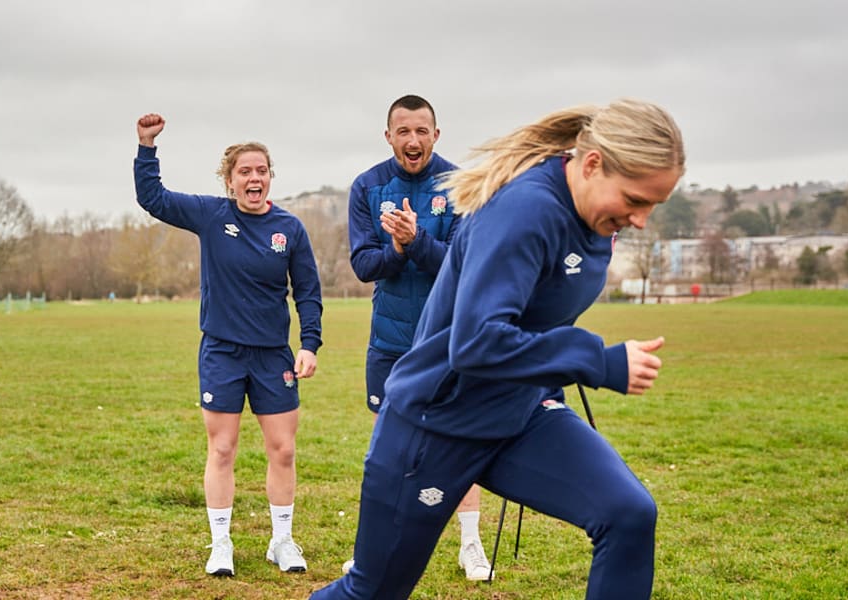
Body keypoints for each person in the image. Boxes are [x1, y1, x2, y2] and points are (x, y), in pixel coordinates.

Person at [310, 98, 684, 600]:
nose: (640, 219)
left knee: (628, 513)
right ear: (592, 165)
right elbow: (476, 343)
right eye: (636, 200)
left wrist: (548, 384)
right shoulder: (526, 210)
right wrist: (597, 360)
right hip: (434, 425)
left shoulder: (594, 219)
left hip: (519, 417)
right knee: (372, 593)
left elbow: (540, 316)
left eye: (652, 206)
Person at [133, 113, 323, 577]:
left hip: (273, 355)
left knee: (283, 450)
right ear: (230, 180)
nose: (253, 177)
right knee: (222, 449)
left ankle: (282, 540)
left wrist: (310, 344)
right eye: (245, 171)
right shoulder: (212, 215)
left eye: (261, 170)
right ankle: (221, 544)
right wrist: (146, 148)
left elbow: (308, 291)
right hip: (222, 351)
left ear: (269, 177)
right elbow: (152, 198)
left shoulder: (290, 229)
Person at [343, 94, 491, 581]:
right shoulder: (367, 186)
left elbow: (467, 262)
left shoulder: (460, 184)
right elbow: (364, 265)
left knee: (460, 441)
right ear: (388, 136)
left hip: (449, 341)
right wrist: (398, 248)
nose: (413, 140)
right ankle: (378, 551)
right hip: (390, 342)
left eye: (421, 131)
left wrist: (417, 241)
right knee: (388, 453)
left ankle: (470, 544)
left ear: (436, 134)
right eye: (403, 131)